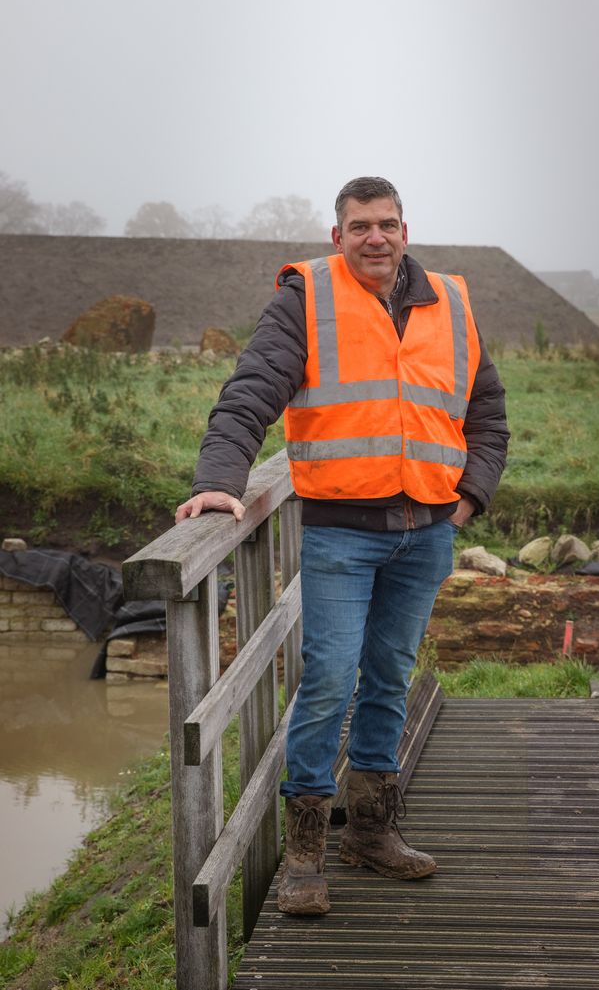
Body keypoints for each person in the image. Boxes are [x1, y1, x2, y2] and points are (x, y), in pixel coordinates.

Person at [176, 176, 509, 915]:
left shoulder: (450, 303)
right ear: (338, 235)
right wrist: (220, 479)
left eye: (387, 224)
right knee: (328, 679)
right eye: (359, 226)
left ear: (405, 230)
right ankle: (304, 852)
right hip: (340, 535)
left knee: (390, 675)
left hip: (427, 533)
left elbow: (487, 410)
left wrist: (471, 494)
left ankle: (370, 830)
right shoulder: (307, 299)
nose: (375, 238)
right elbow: (252, 389)